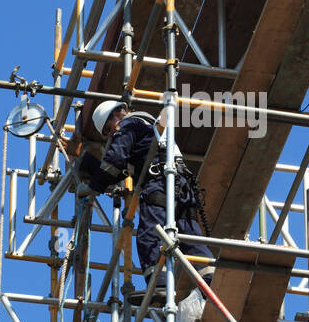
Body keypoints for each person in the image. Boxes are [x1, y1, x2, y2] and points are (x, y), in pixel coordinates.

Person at [77, 101, 214, 303]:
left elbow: (115, 161)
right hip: (183, 187)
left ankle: (159, 286)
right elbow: (120, 168)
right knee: (191, 239)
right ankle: (211, 282)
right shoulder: (152, 130)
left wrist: (91, 187)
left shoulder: (128, 125)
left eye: (108, 129)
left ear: (117, 114)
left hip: (159, 184)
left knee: (150, 235)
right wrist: (97, 171)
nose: (110, 135)